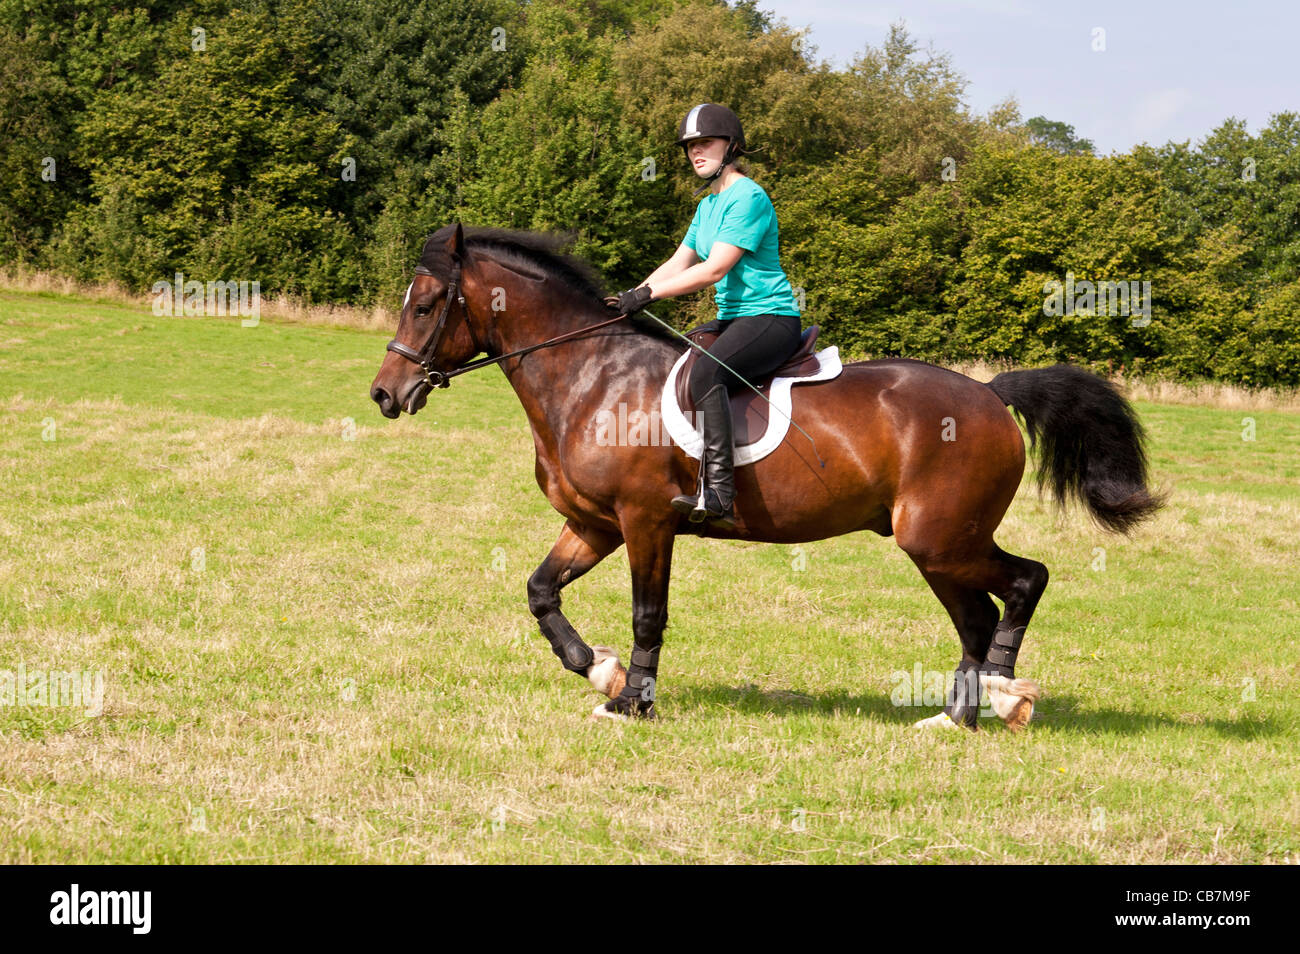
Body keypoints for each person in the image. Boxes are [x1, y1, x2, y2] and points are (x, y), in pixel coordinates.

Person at [605, 103, 802, 528]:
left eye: (705, 143)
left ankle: (719, 494)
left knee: (706, 374)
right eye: (691, 146)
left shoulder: (748, 197)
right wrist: (631, 295)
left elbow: (712, 270)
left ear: (731, 146)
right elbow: (679, 261)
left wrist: (648, 294)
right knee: (677, 361)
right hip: (732, 318)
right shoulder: (707, 206)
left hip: (770, 317)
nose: (696, 152)